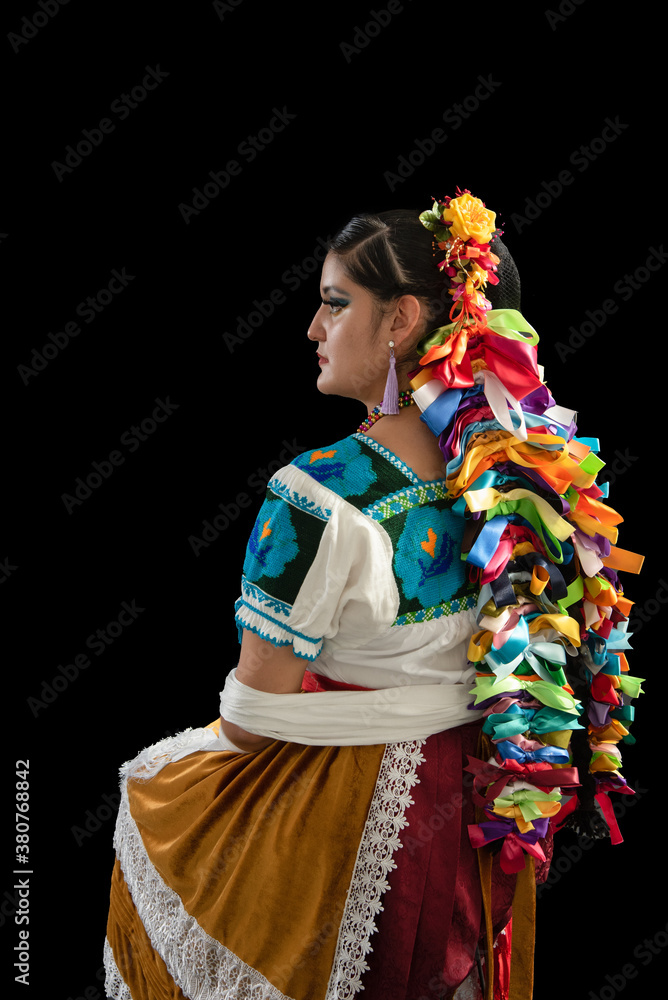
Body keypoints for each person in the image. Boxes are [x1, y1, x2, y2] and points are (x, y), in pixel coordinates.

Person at [104, 190, 643, 1000]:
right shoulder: (517, 480)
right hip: (477, 813)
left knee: (148, 790)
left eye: (333, 305)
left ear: (400, 322)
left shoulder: (317, 495)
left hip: (352, 823)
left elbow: (255, 723)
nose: (314, 330)